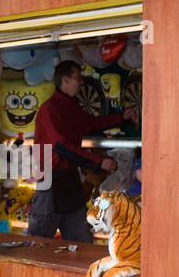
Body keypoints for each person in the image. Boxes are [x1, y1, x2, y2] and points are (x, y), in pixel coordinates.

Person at [29, 60, 137, 241]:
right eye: (78, 78)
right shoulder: (50, 109)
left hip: (70, 180)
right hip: (51, 182)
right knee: (39, 242)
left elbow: (92, 123)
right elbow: (61, 146)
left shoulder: (70, 107)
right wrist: (99, 162)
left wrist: (121, 118)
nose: (81, 83)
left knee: (80, 240)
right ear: (65, 80)